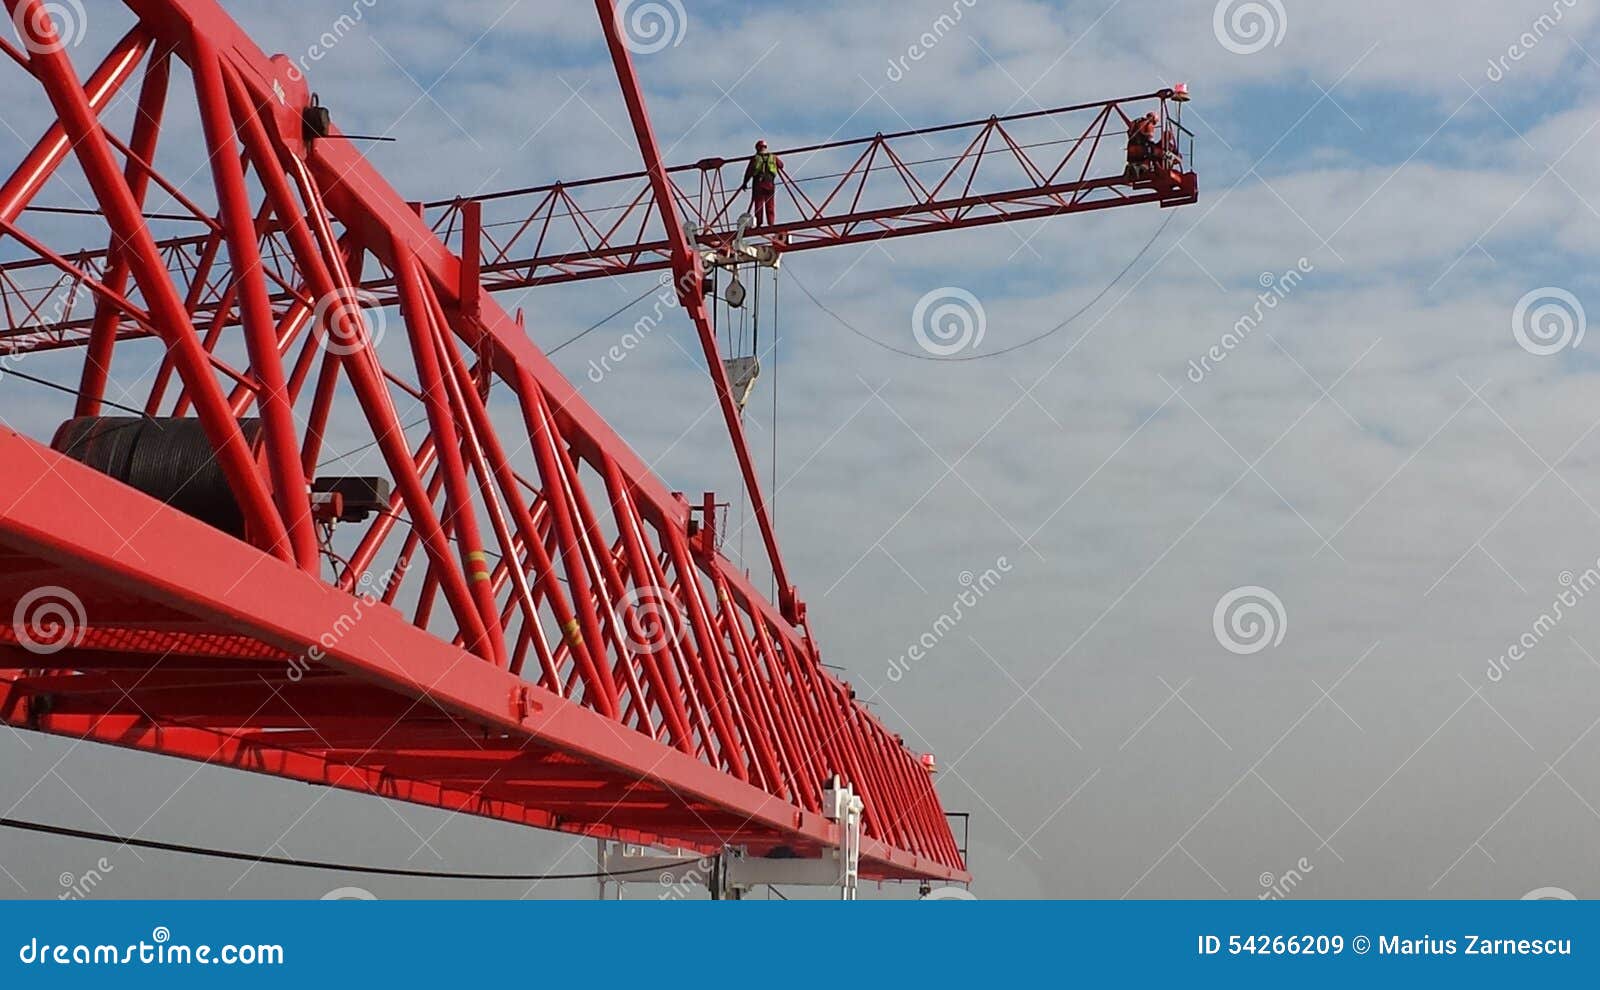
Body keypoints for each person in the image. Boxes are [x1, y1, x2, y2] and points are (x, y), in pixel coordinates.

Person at [740, 140, 783, 228]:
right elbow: (781, 165)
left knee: (759, 205)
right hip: (770, 183)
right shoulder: (773, 157)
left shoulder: (755, 159)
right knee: (770, 204)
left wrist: (744, 183)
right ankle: (771, 223)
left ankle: (759, 224)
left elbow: (748, 172)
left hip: (758, 183)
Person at [1125, 112, 1159, 181]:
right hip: (1142, 147)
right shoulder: (1149, 124)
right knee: (1151, 153)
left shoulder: (1136, 122)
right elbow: (1150, 138)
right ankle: (1141, 168)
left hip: (1131, 146)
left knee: (1133, 161)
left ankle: (1131, 168)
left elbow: (1128, 132)